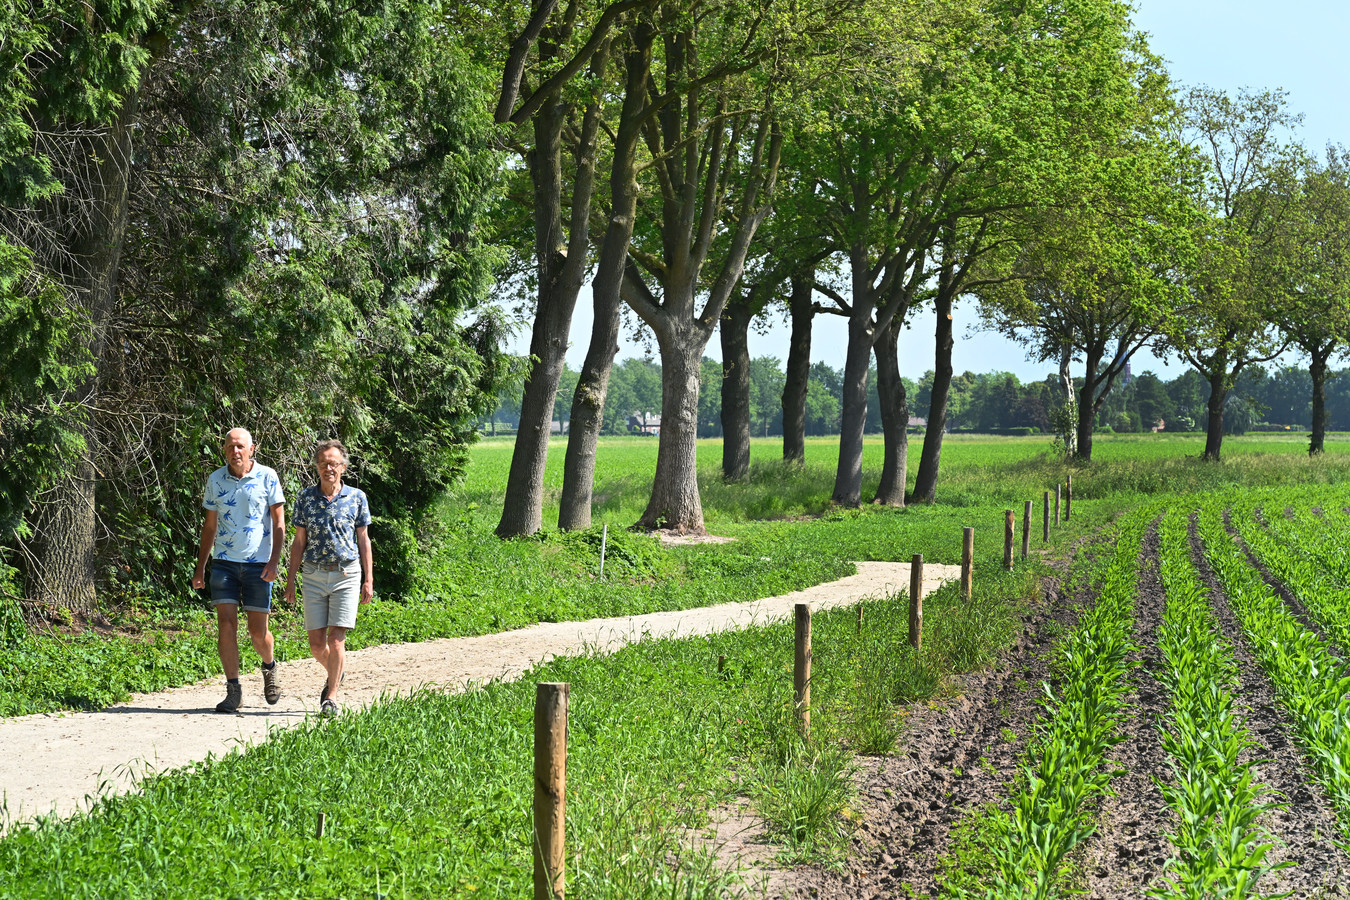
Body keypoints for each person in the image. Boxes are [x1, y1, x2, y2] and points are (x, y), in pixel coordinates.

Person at [193, 427, 285, 713]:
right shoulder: (215, 480)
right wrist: (200, 568)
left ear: (252, 449)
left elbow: (279, 524)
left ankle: (269, 668)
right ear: (224, 450)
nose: (235, 451)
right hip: (224, 562)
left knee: (258, 633)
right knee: (226, 625)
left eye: (240, 446)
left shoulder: (268, 477)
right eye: (230, 446)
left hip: (259, 564)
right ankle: (233, 690)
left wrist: (274, 562)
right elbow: (210, 527)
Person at [284, 439, 373, 717]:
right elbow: (298, 541)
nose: (328, 468)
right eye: (323, 463)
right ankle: (337, 671)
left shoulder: (357, 497)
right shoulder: (305, 498)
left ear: (343, 467)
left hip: (346, 573)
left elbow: (364, 540)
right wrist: (290, 580)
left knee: (336, 641)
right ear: (317, 467)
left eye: (333, 463)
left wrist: (368, 579)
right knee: (315, 644)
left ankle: (331, 698)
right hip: (312, 574)